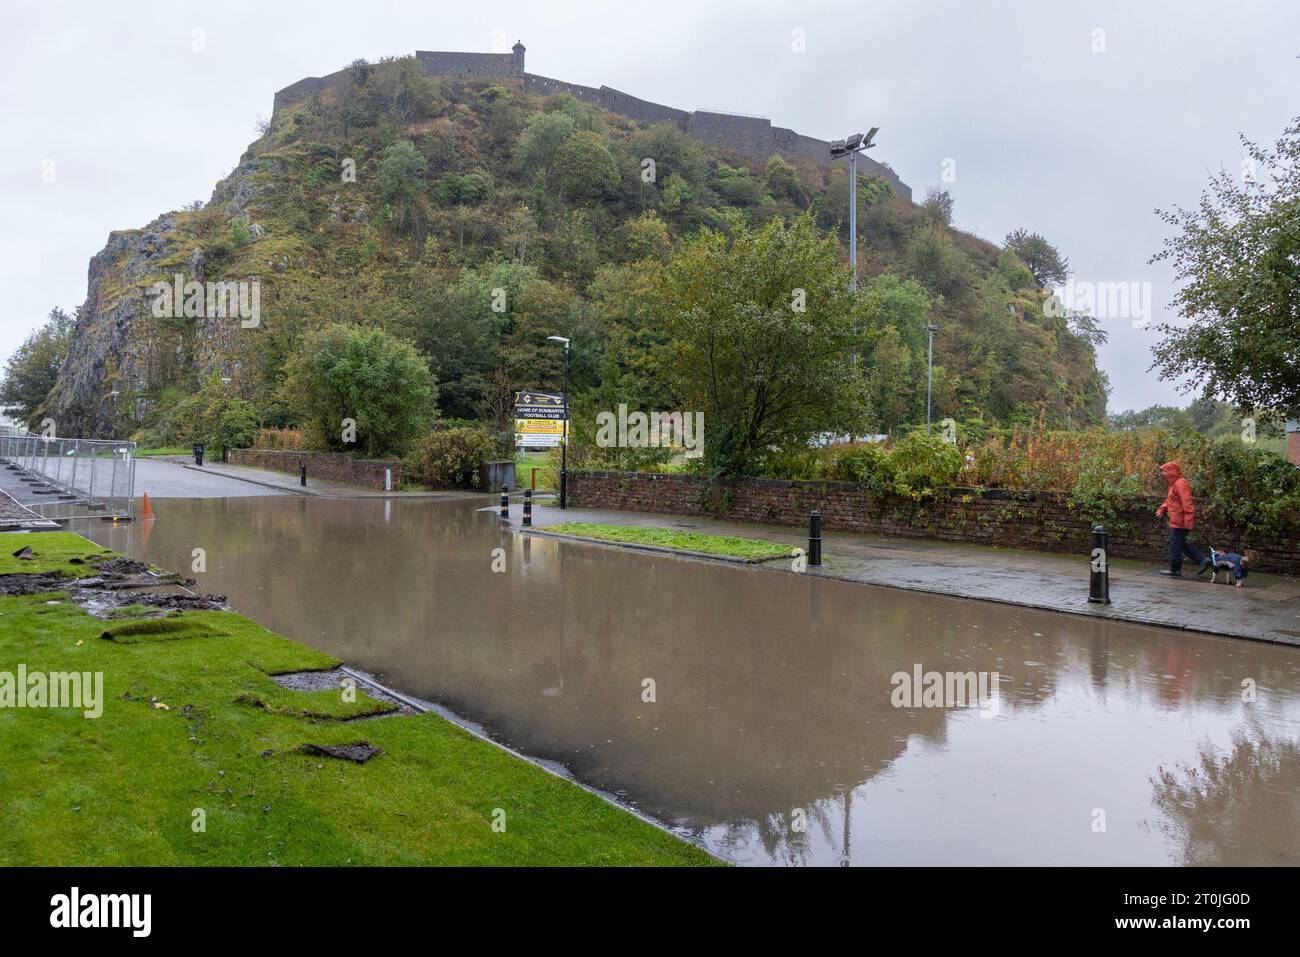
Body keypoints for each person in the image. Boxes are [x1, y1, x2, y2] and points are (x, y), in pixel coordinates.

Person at [1156, 461, 1207, 577]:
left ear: (1172, 471)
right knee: (1180, 544)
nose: (1163, 474)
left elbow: (1187, 503)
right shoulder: (1173, 484)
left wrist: (1187, 521)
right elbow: (1170, 501)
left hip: (1180, 521)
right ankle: (1203, 560)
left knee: (1175, 545)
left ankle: (1175, 570)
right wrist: (1161, 509)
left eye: (1165, 471)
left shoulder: (1180, 484)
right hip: (1176, 519)